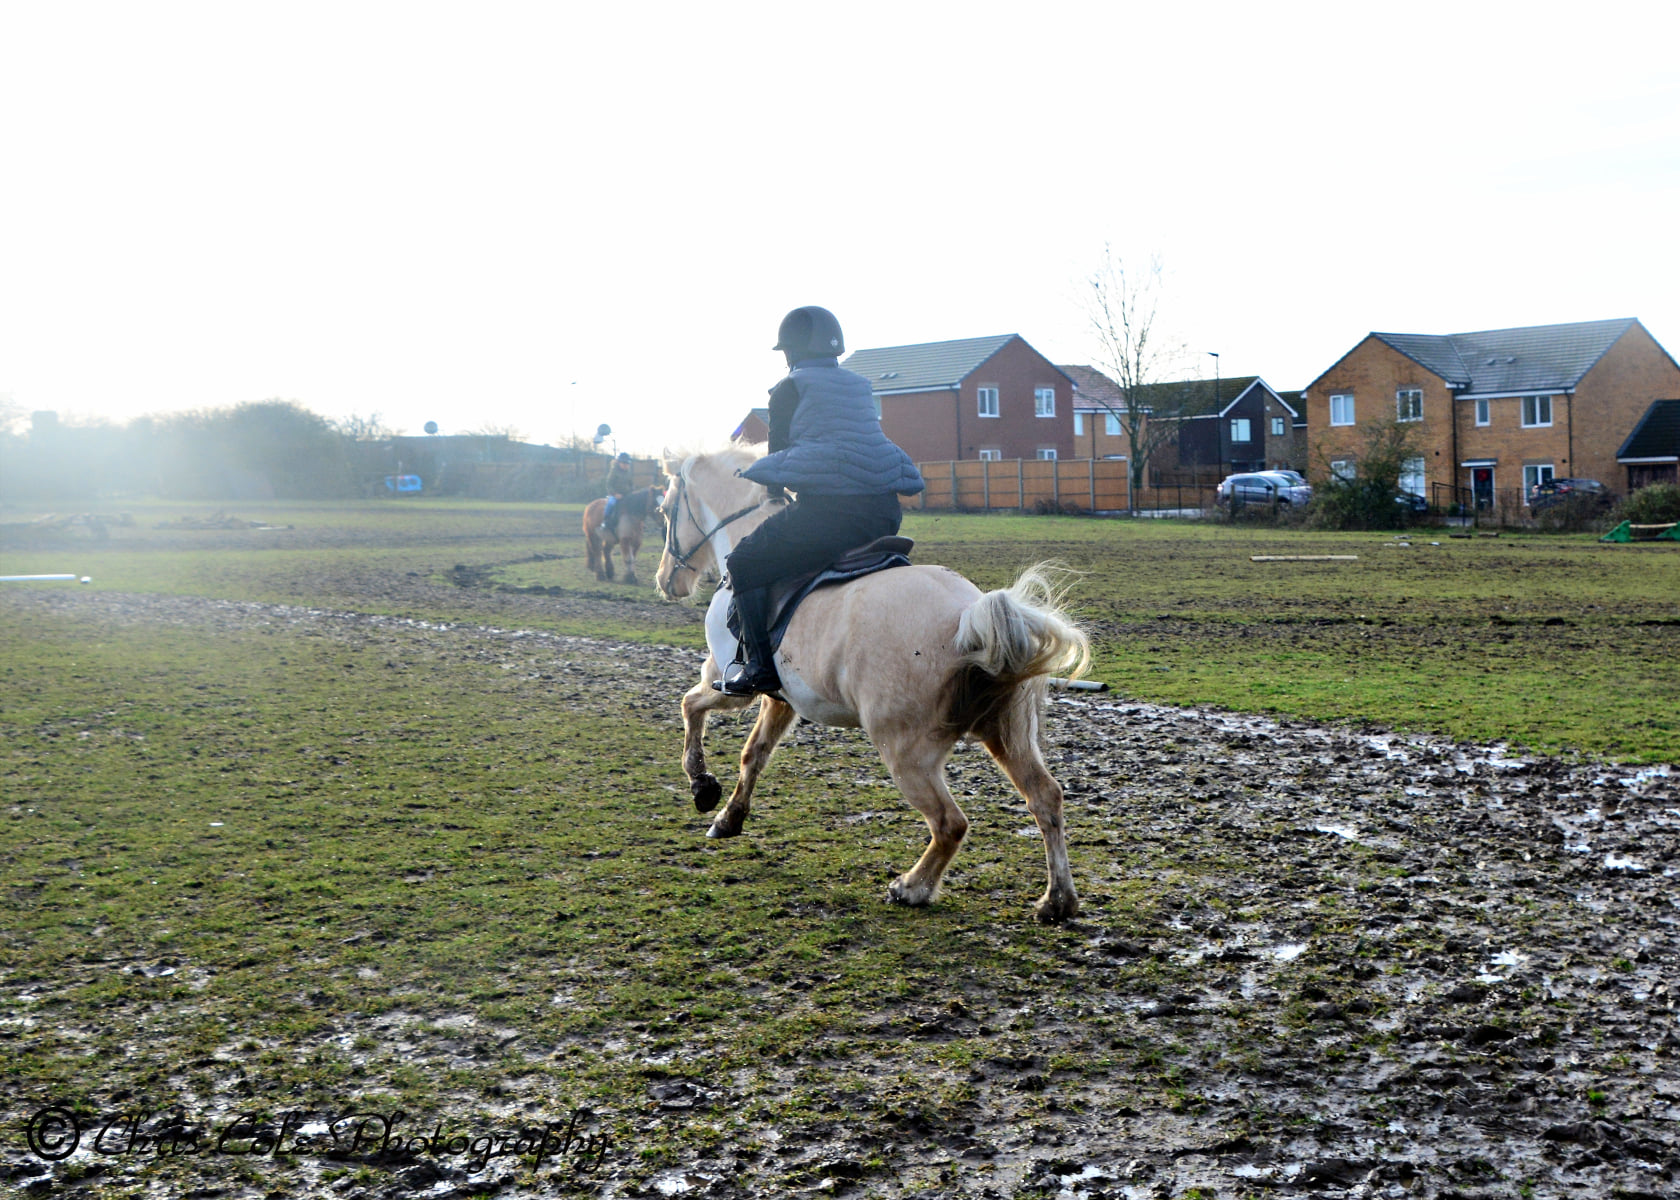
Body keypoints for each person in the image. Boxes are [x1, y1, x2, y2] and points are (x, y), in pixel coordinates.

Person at [714, 306, 925, 696]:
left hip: (829, 516)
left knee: (743, 561)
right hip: (884, 514)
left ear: (791, 352)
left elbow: (780, 457)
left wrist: (774, 492)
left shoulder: (788, 389)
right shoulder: (859, 386)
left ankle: (758, 669)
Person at [603, 452, 633, 526]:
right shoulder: (614, 471)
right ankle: (606, 520)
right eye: (624, 463)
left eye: (627, 463)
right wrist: (615, 494)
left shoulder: (628, 473)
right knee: (611, 503)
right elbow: (609, 484)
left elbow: (631, 484)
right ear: (619, 463)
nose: (625, 465)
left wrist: (632, 491)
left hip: (626, 494)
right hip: (615, 495)